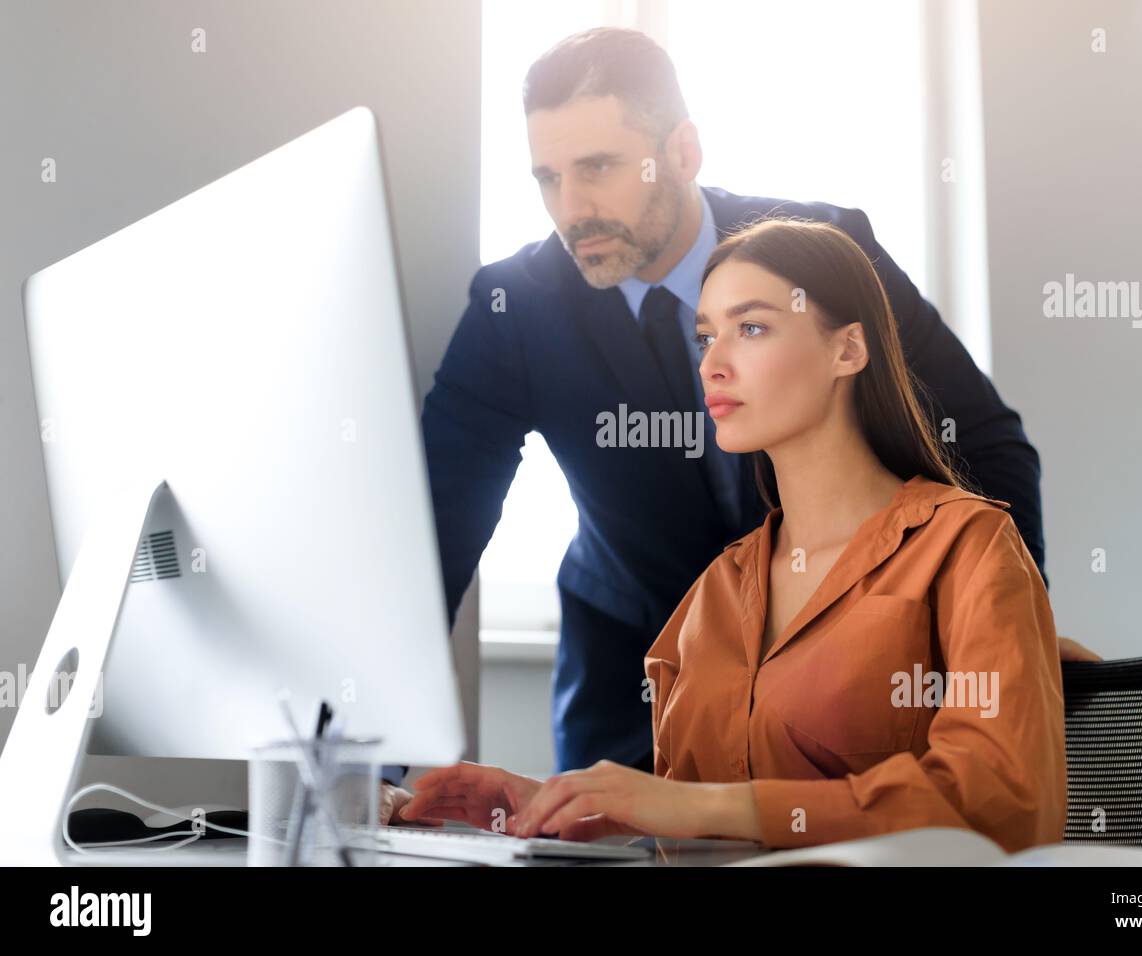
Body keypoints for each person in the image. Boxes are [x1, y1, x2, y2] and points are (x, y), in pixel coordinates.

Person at [380, 26, 1098, 825]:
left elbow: (984, 442)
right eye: (547, 177)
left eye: (599, 169)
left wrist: (998, 634)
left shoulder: (818, 257)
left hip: (840, 675)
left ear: (683, 152)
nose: (571, 211)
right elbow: (433, 526)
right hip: (644, 664)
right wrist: (361, 759)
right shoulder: (517, 307)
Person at [397, 218, 1067, 852]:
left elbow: (999, 803)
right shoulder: (718, 591)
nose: (712, 363)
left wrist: (708, 807)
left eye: (751, 328)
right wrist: (560, 805)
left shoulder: (968, 547)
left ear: (847, 348)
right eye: (704, 336)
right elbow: (687, 825)